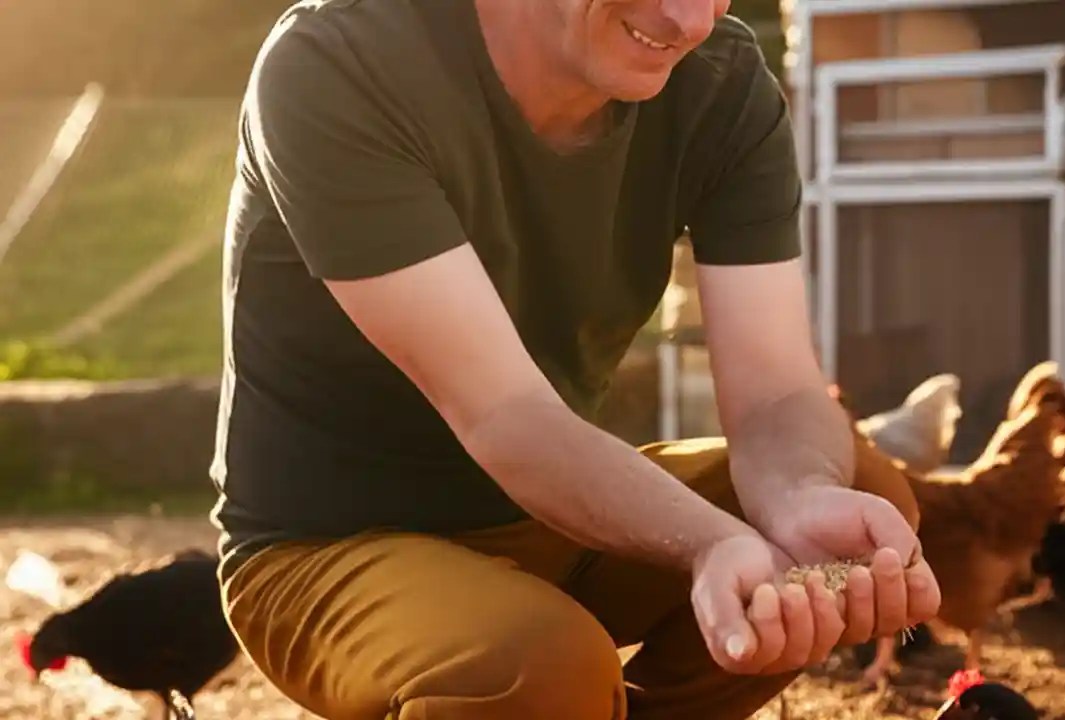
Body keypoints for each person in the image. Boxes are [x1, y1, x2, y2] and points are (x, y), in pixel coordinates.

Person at [210, 0, 941, 718]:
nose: (690, 21)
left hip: (548, 518)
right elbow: (505, 415)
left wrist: (798, 498)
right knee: (540, 670)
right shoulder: (341, 65)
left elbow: (779, 393)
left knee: (858, 507)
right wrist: (709, 540)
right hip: (326, 547)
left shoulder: (721, 83)